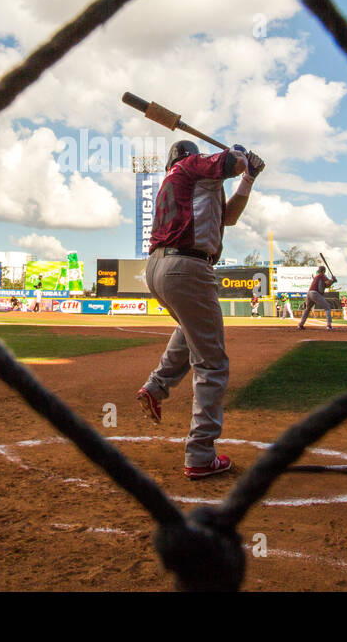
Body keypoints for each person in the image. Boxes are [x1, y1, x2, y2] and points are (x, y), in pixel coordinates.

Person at [135, 139, 265, 480]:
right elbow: (228, 162)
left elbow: (230, 217)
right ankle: (200, 454)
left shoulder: (187, 185)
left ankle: (157, 385)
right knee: (212, 363)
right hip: (187, 268)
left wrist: (248, 178)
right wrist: (240, 155)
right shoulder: (190, 167)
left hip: (160, 268)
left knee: (189, 331)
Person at [297, 265, 336, 330]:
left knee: (307, 309)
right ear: (324, 271)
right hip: (315, 293)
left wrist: (332, 281)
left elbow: (326, 285)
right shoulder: (322, 275)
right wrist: (332, 280)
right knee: (327, 307)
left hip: (309, 293)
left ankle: (300, 324)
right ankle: (329, 325)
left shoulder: (317, 276)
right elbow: (328, 282)